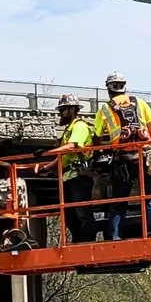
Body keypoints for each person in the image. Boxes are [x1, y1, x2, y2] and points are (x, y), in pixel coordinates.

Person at [94, 73, 151, 239]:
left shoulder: (104, 109)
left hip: (122, 158)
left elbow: (96, 137)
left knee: (119, 200)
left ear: (108, 89)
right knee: (149, 197)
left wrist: (99, 151)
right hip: (144, 154)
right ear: (125, 87)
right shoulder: (140, 102)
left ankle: (115, 236)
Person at [50, 92, 94, 245]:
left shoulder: (79, 126)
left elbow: (71, 146)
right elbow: (63, 157)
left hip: (79, 175)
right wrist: (46, 167)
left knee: (82, 213)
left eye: (63, 110)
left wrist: (48, 153)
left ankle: (87, 243)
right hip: (68, 176)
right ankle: (77, 242)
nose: (60, 113)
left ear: (72, 110)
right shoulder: (69, 129)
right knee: (69, 215)